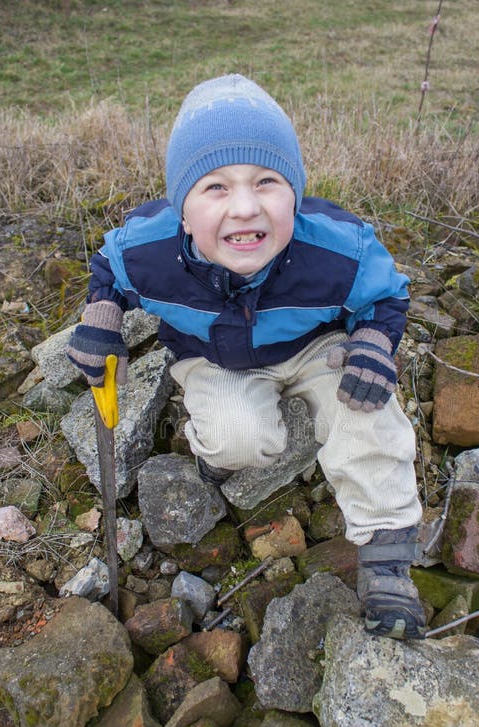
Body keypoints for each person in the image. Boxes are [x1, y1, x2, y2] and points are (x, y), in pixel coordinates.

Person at [67, 74, 426, 640]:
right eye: (215, 187)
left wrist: (376, 343)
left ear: (296, 195)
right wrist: (101, 318)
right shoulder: (149, 250)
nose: (244, 207)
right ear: (181, 209)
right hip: (214, 357)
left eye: (267, 182)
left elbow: (386, 293)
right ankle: (217, 453)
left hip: (316, 349)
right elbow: (108, 269)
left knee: (366, 410)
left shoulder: (336, 249)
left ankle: (386, 555)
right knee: (237, 437)